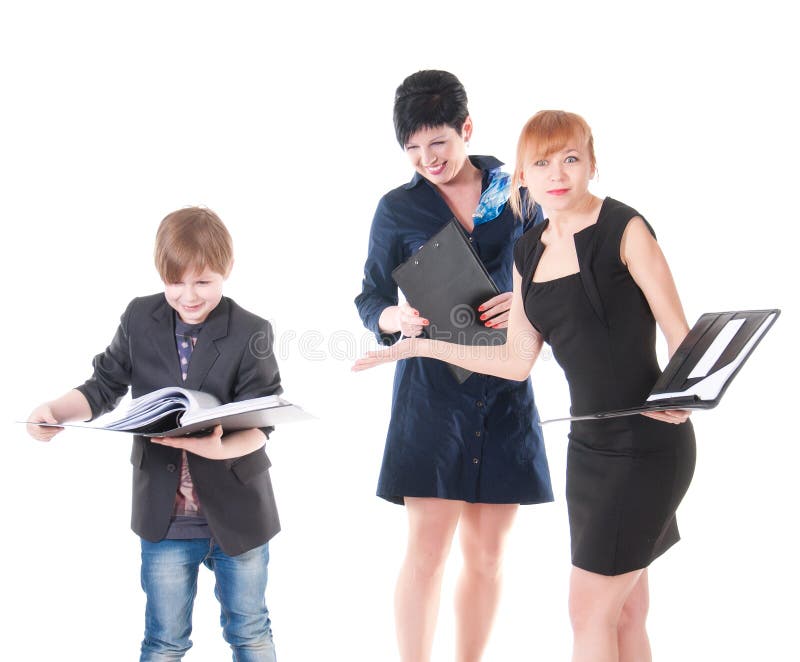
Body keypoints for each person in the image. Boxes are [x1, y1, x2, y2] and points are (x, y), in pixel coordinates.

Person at [354, 110, 697, 662]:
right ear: (524, 176)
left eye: (570, 159)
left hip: (644, 443)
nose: (557, 174)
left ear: (592, 163)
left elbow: (685, 341)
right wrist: (414, 341)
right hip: (584, 449)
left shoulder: (624, 228)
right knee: (625, 612)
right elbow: (517, 359)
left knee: (588, 613)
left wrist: (685, 396)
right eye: (541, 163)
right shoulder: (529, 248)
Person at [354, 70, 553, 662]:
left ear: (466, 128)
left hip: (504, 388)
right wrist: (396, 319)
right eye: (412, 150)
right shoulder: (396, 209)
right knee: (427, 551)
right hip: (430, 392)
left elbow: (554, 275)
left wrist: (524, 301)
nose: (427, 159)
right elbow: (369, 297)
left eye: (437, 143)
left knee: (489, 555)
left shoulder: (519, 190)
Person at [27, 207, 282, 662]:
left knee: (251, 634)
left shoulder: (250, 331)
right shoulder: (139, 317)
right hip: (165, 516)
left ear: (227, 270)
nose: (188, 295)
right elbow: (104, 385)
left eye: (203, 281)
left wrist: (221, 446)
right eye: (176, 282)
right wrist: (55, 411)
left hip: (239, 514)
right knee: (164, 642)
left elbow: (262, 425)